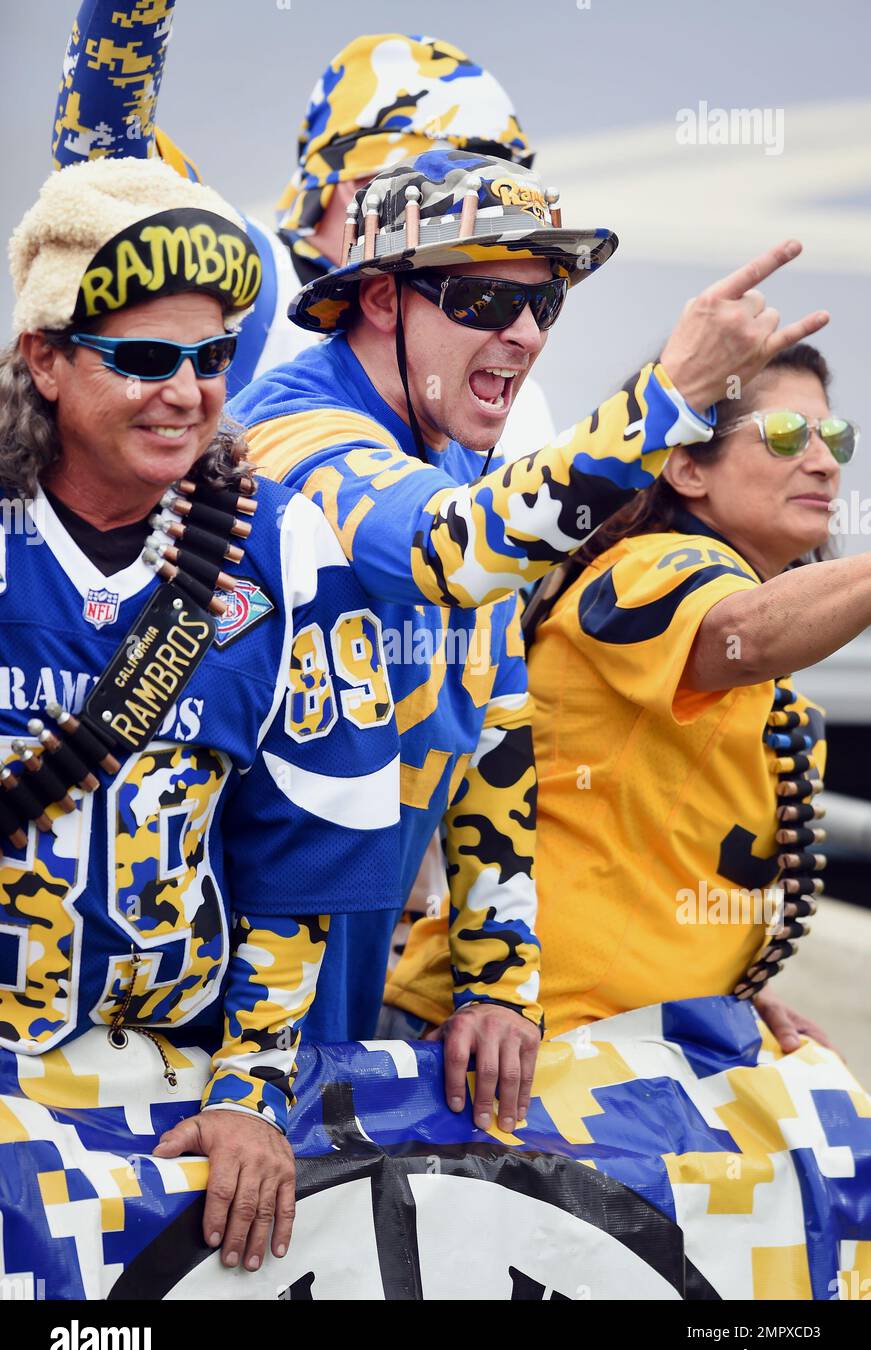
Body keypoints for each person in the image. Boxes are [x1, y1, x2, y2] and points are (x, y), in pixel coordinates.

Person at [229, 144, 828, 1129]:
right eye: (479, 303)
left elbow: (496, 730)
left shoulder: (457, 460)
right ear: (381, 299)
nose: (518, 335)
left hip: (345, 977)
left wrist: (500, 983)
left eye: (540, 306)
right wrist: (665, 399)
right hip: (210, 989)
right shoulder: (295, 429)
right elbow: (446, 553)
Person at [0, 156, 400, 1276]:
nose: (183, 391)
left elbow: (297, 870)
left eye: (210, 356)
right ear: (45, 357)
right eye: (140, 358)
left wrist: (251, 1095)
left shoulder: (287, 551)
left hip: (163, 1096)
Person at [383, 342, 862, 1062]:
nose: (825, 462)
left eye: (834, 438)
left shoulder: (724, 589)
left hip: (622, 1049)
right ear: (685, 465)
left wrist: (725, 982)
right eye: (787, 435)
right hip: (503, 1049)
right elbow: (743, 634)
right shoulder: (649, 568)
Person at [51, 5, 553, 455]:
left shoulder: (512, 389)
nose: (496, 213)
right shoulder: (259, 275)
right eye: (464, 186)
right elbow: (104, 161)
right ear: (362, 183)